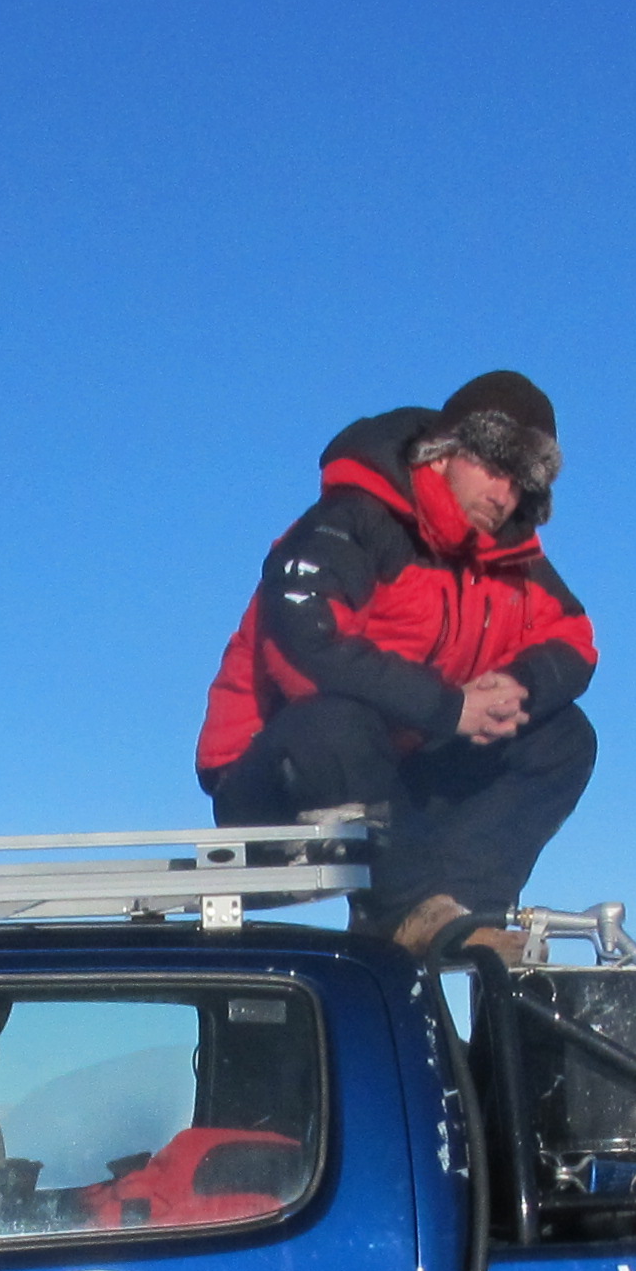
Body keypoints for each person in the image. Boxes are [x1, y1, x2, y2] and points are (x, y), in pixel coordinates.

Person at [195, 370, 597, 957]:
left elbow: (575, 638)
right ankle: (406, 909)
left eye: (520, 483)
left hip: (394, 777)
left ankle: (456, 914)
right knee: (334, 720)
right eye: (494, 467)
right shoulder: (353, 520)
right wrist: (450, 707)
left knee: (562, 738)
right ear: (445, 454)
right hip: (273, 779)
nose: (504, 495)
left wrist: (518, 685)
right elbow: (304, 650)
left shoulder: (510, 558)